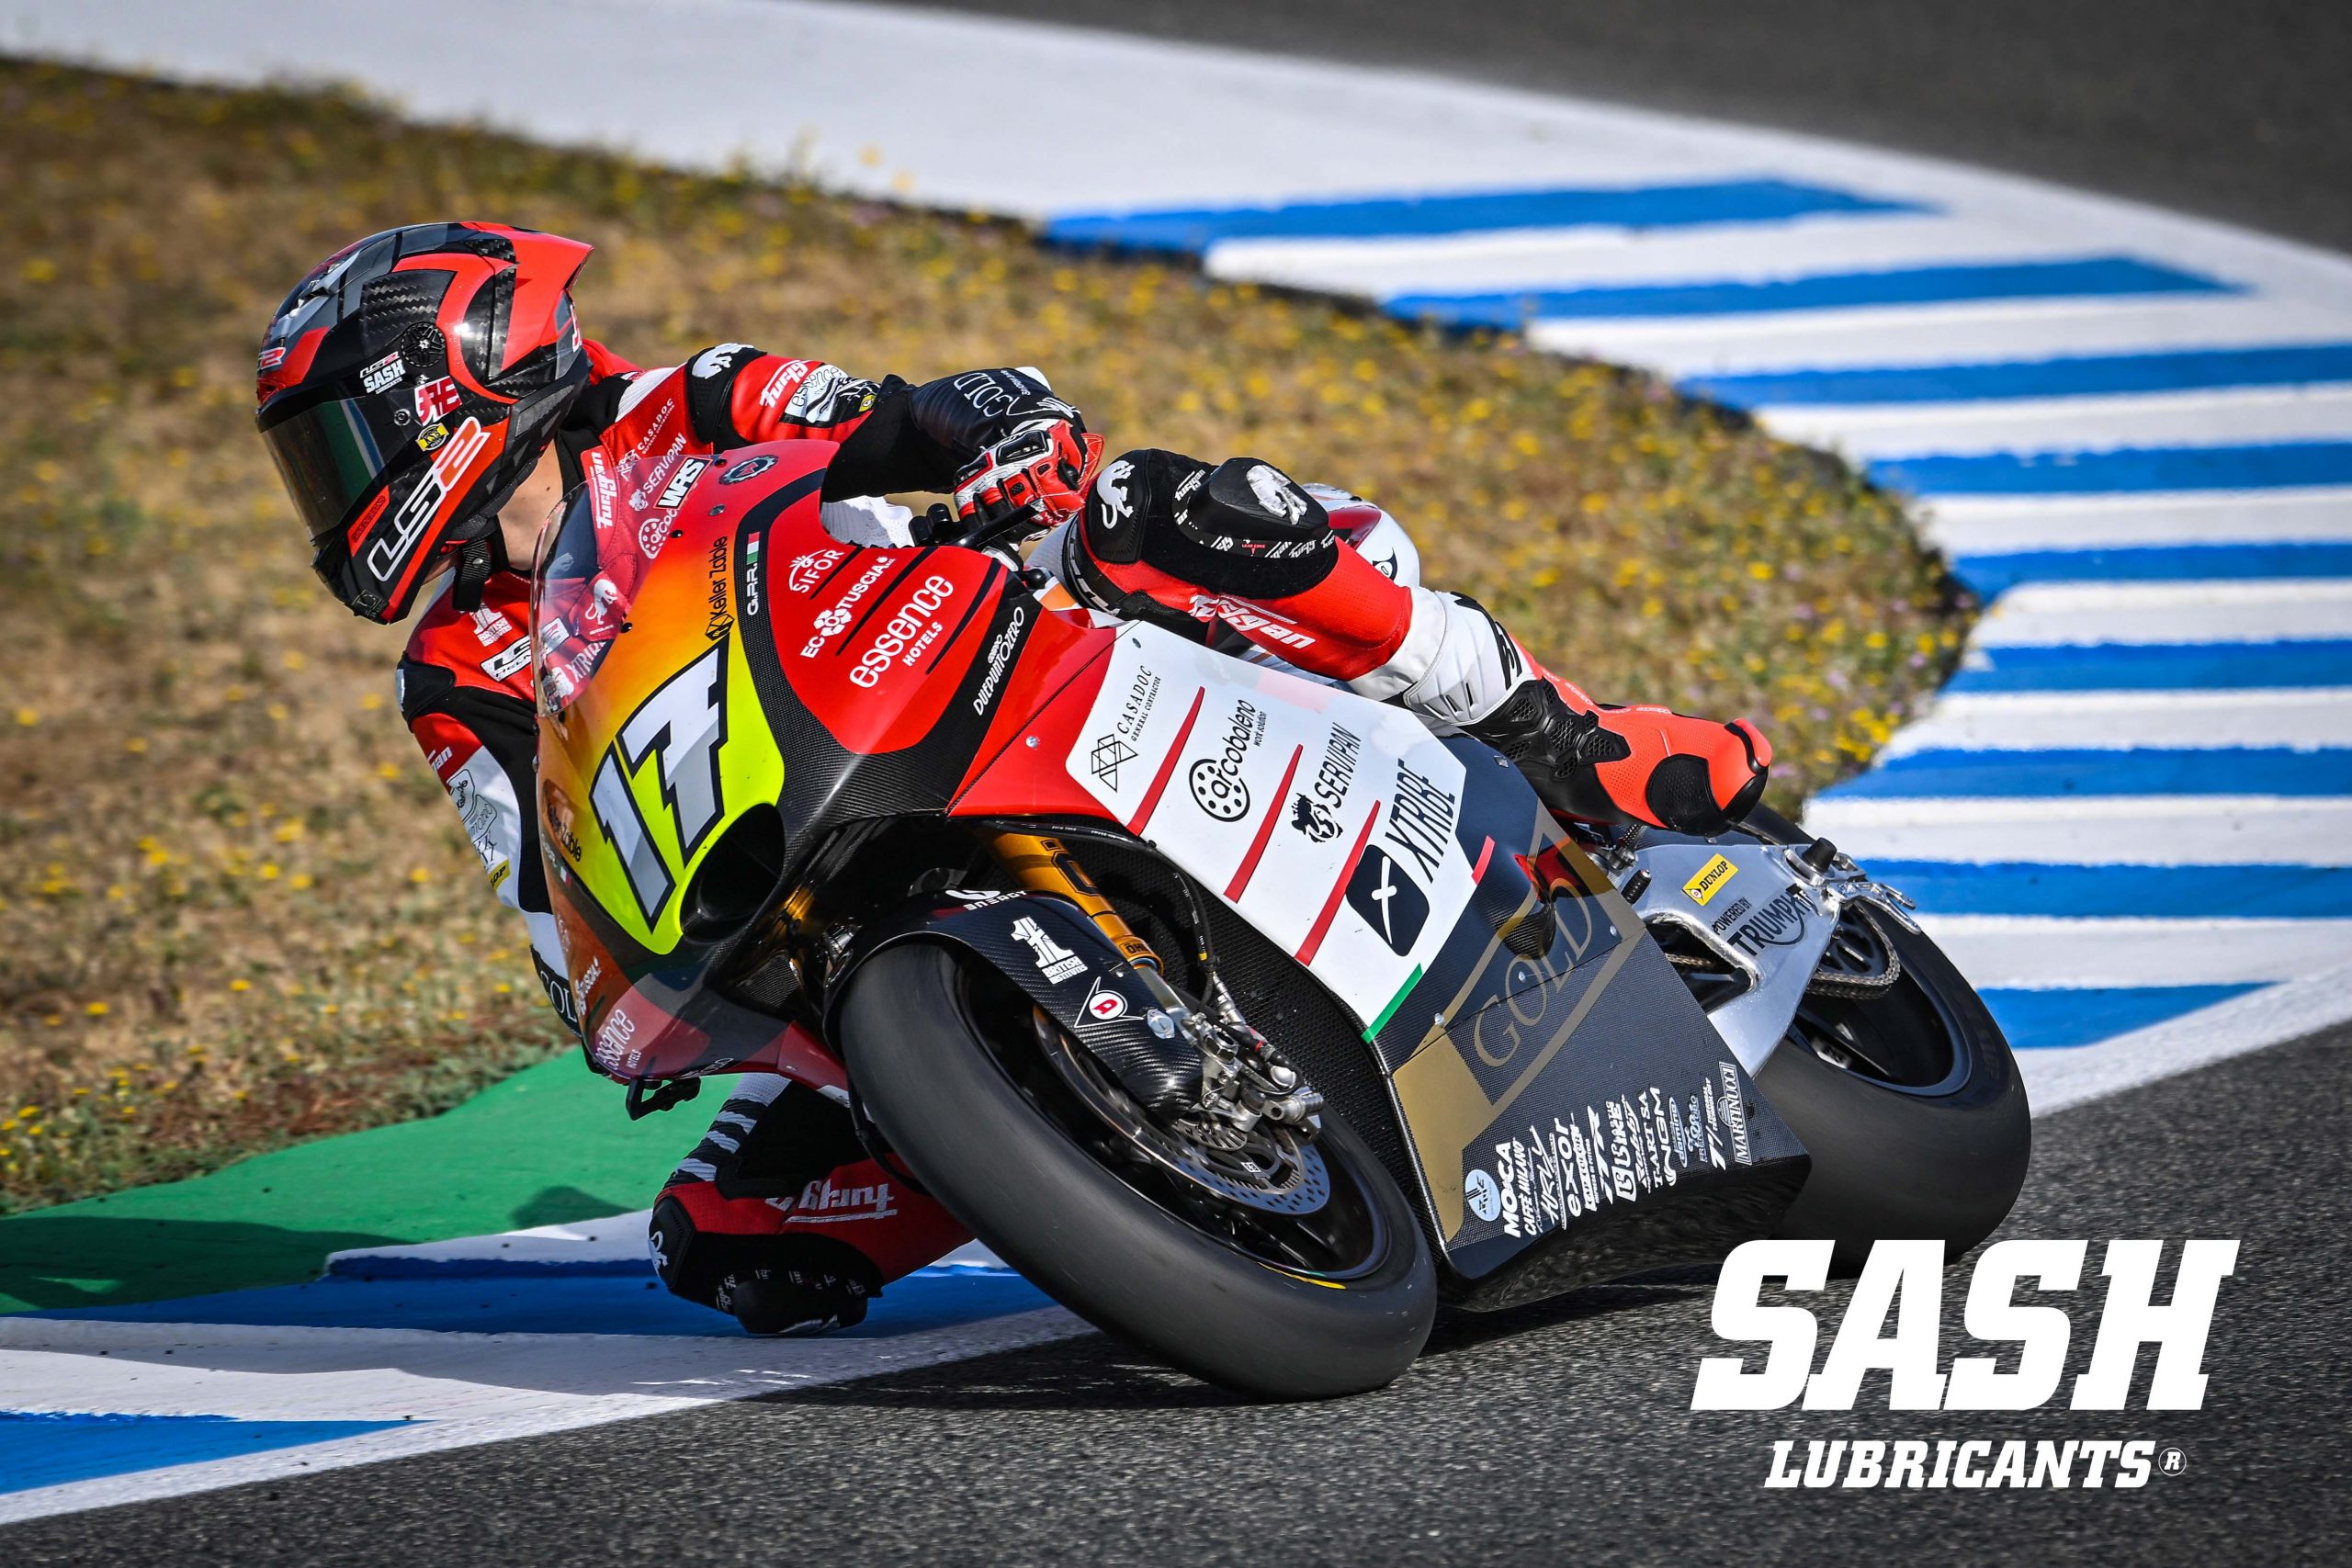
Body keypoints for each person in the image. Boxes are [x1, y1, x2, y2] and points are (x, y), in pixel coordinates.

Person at [257, 221, 1769, 1336]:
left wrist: (986, 428)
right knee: (735, 1236)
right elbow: (541, 875)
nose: (332, 498)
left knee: (1152, 509)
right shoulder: (452, 671)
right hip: (816, 859)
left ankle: (1559, 731)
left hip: (976, 651)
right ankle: (1083, 1137)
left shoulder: (680, 403)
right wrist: (614, 994)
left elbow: (884, 416)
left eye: (338, 444)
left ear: (456, 375)